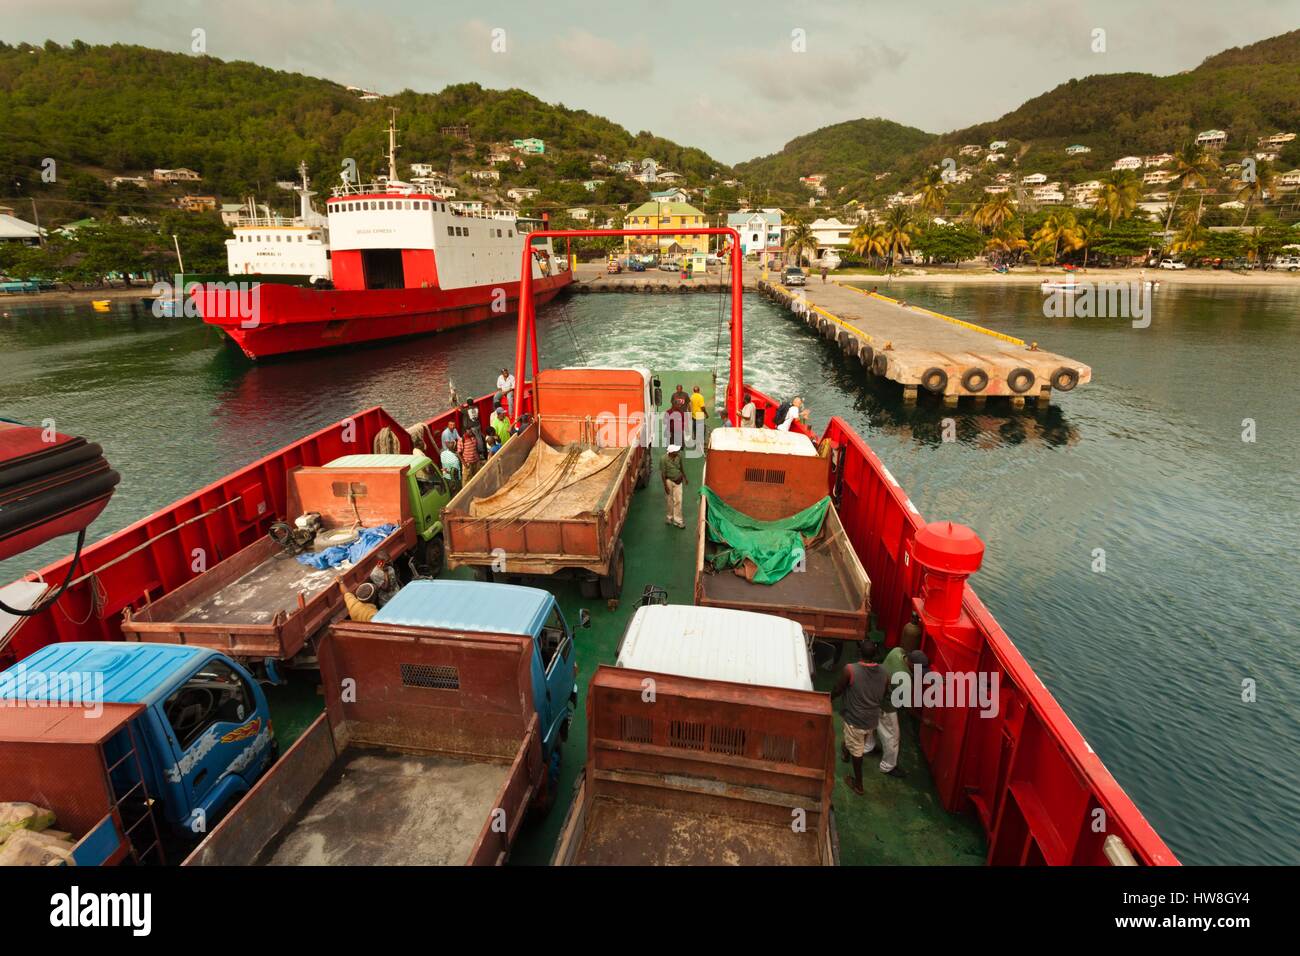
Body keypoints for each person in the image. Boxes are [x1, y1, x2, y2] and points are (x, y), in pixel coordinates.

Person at [831, 640, 888, 796]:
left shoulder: (850, 670)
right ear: (875, 655)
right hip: (872, 719)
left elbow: (838, 689)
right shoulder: (884, 672)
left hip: (855, 720)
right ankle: (846, 750)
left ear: (859, 653)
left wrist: (830, 697)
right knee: (856, 740)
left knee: (858, 751)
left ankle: (858, 785)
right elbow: (883, 692)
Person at [879, 647, 929, 779]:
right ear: (911, 664)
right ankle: (888, 766)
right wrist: (923, 720)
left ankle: (868, 747)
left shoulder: (896, 651)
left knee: (872, 724)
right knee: (893, 736)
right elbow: (908, 708)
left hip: (873, 690)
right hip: (885, 704)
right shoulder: (905, 679)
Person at [660, 444, 687, 528]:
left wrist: (685, 477)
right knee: (669, 500)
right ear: (671, 452)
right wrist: (665, 486)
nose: (678, 451)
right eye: (676, 451)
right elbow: (663, 474)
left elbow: (681, 467)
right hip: (668, 481)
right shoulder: (663, 459)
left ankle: (678, 520)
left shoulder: (679, 457)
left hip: (678, 480)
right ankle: (669, 517)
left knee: (678, 500)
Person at [688, 385, 708, 449]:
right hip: (699, 415)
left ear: (693, 391)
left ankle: (696, 439)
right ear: (699, 390)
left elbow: (689, 406)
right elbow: (702, 407)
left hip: (694, 415)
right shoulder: (700, 397)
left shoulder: (691, 397)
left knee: (694, 428)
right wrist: (706, 413)